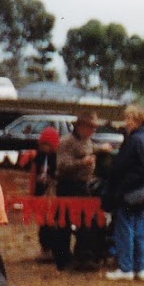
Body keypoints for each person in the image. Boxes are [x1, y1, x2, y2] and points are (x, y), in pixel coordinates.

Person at [106, 104, 144, 281]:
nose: (125, 122)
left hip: (129, 192)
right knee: (139, 231)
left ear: (137, 120)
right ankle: (140, 268)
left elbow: (121, 167)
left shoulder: (133, 140)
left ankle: (126, 268)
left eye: (129, 118)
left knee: (125, 229)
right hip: (143, 192)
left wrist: (119, 186)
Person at [55, 112, 106, 270]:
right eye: (91, 127)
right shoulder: (66, 142)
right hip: (68, 185)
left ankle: (83, 256)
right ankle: (63, 259)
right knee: (64, 223)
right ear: (81, 127)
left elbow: (89, 149)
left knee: (87, 221)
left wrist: (101, 149)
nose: (93, 130)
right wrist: (82, 163)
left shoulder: (87, 140)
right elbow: (62, 164)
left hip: (82, 185)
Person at [30, 125, 61, 261]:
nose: (43, 148)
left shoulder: (57, 157)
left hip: (52, 193)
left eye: (46, 145)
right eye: (42, 145)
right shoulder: (39, 156)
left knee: (53, 223)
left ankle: (54, 249)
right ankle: (45, 249)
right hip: (41, 193)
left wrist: (51, 178)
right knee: (42, 223)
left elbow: (58, 174)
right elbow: (33, 173)